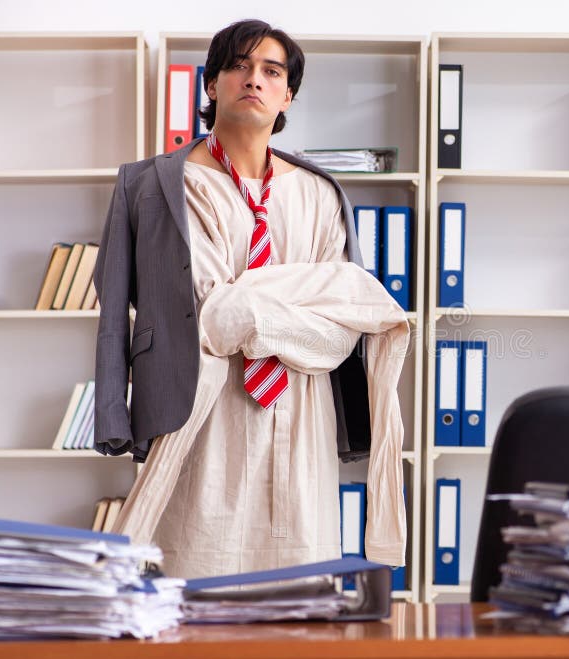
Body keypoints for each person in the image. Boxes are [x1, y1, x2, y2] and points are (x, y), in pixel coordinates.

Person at [93, 19, 408, 578]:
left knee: (300, 597)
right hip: (199, 417)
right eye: (239, 66)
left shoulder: (319, 194)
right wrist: (294, 305)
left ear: (288, 95)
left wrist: (248, 304)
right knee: (193, 590)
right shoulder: (160, 185)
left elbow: (338, 333)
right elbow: (211, 317)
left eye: (271, 71)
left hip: (303, 422)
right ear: (211, 84)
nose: (254, 79)